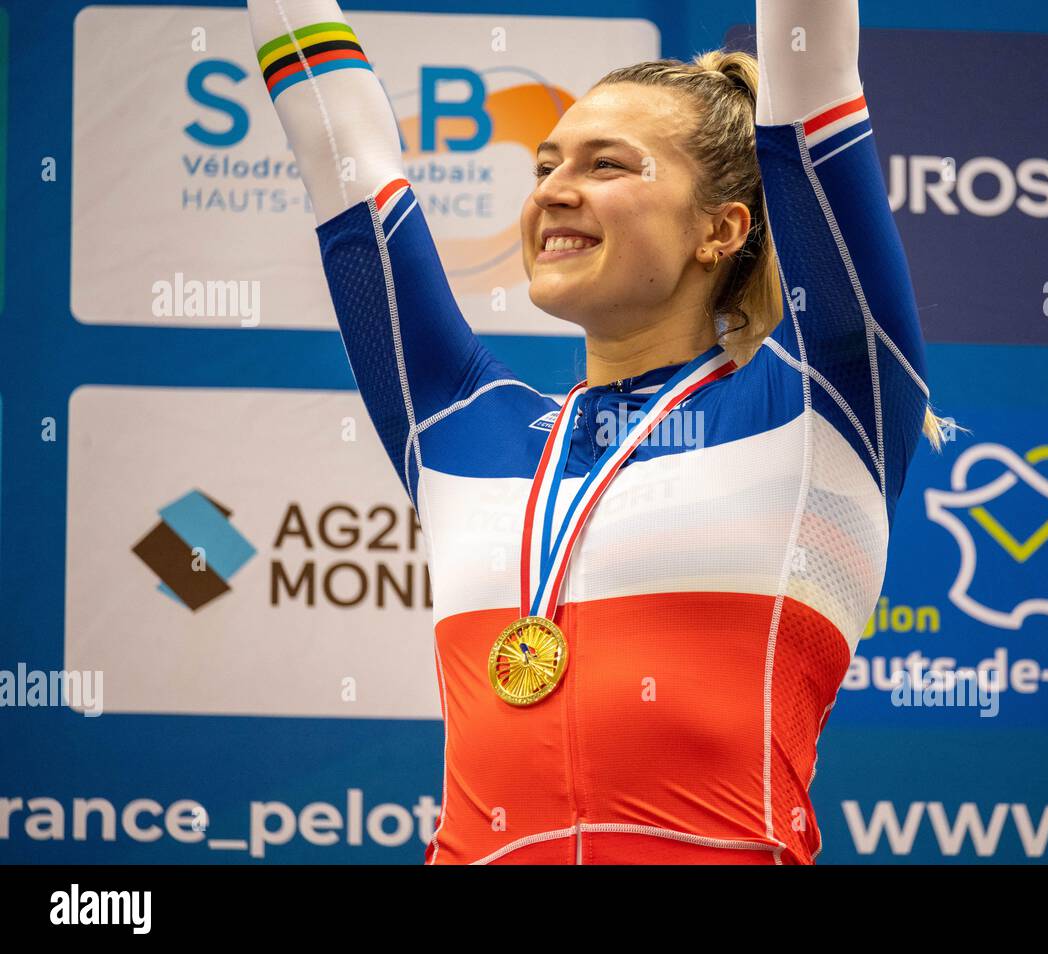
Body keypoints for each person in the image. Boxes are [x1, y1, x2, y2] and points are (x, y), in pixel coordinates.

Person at [248, 0, 943, 864]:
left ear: (720, 229)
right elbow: (339, 152)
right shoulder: (459, 428)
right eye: (545, 165)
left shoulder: (826, 404)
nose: (552, 190)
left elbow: (813, 78)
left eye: (607, 164)